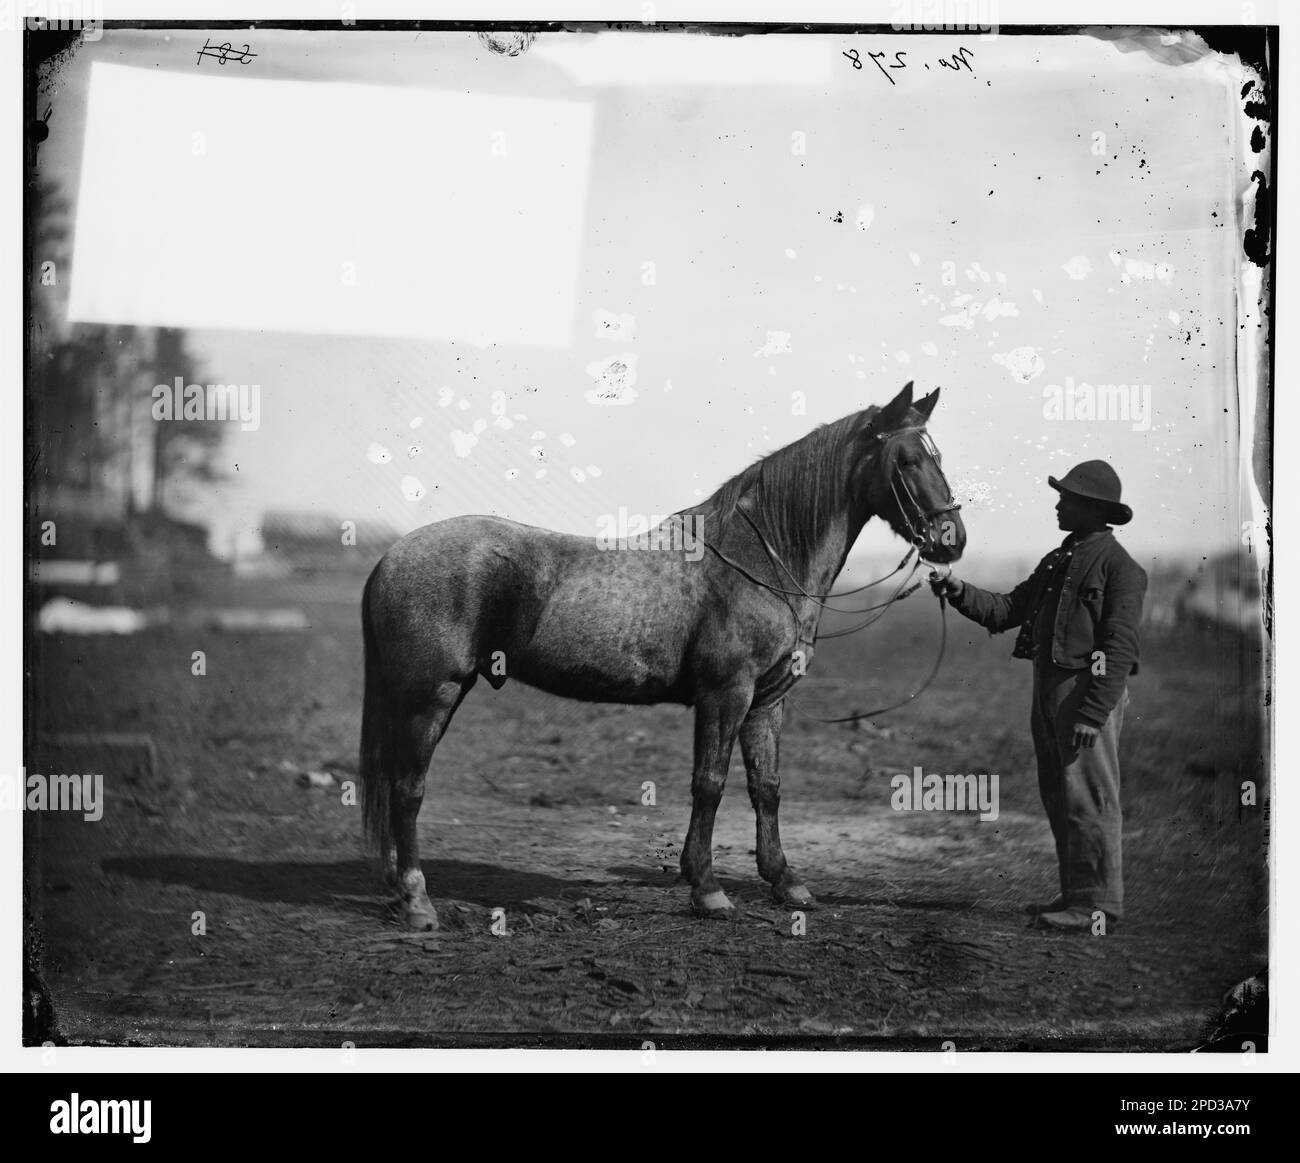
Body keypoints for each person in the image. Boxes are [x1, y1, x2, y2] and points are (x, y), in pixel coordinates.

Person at [931, 461, 1147, 932]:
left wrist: (1092, 711)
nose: (1058, 504)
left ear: (1091, 509)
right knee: (1060, 793)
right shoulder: (1057, 560)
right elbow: (1007, 609)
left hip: (1085, 696)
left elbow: (1120, 648)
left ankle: (1097, 908)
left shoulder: (1121, 569)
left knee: (1088, 796)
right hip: (1047, 687)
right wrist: (957, 588)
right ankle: (1076, 895)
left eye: (1067, 498)